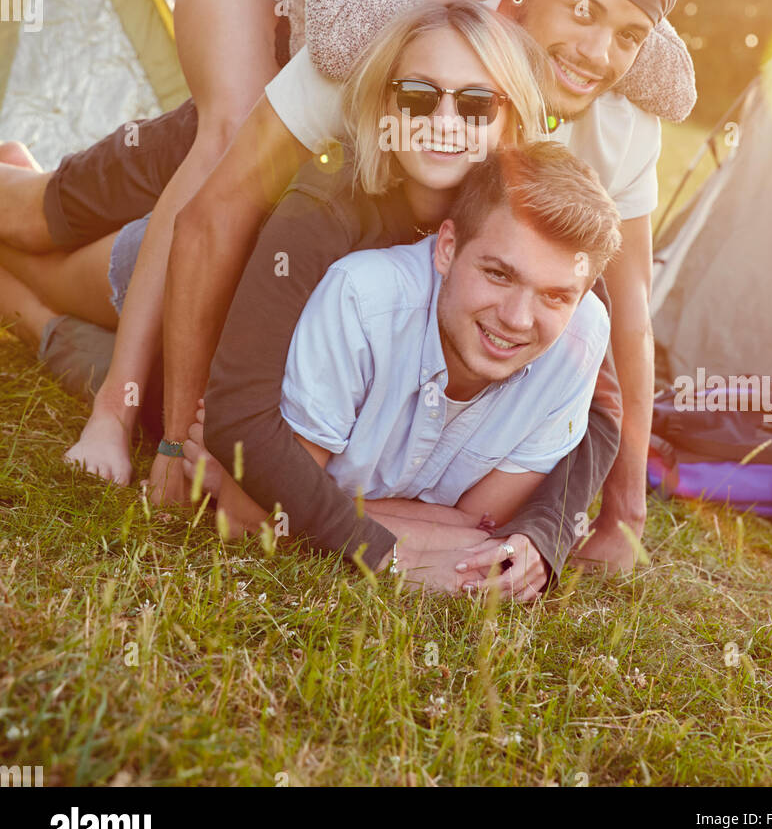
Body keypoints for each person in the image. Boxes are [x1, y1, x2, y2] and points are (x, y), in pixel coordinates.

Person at [0, 0, 695, 493]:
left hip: (343, 75)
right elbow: (335, 41)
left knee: (260, 195)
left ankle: (28, 190)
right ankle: (113, 412)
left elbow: (675, 83)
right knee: (223, 143)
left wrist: (597, 10)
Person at [0, 3, 623, 597]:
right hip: (183, 285)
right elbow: (240, 414)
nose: (443, 122)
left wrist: (542, 535)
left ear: (511, 121)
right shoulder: (329, 202)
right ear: (385, 105)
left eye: (477, 104)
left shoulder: (523, 228)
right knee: (25, 245)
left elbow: (598, 403)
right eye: (416, 96)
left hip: (268, 361)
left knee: (32, 299)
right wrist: (176, 444)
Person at [197, 142, 621, 602]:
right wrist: (400, 556)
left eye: (555, 296)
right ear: (447, 248)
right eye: (499, 274)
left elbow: (480, 528)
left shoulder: (581, 336)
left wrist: (304, 502)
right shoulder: (362, 301)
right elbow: (247, 519)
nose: (517, 319)